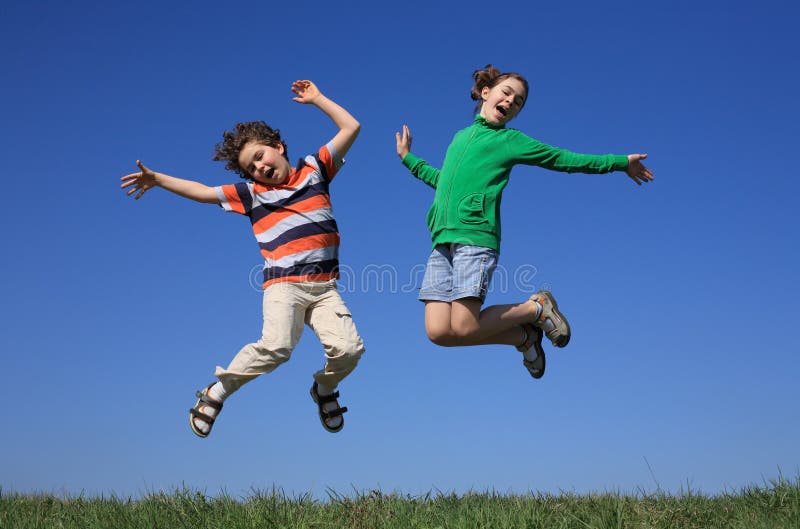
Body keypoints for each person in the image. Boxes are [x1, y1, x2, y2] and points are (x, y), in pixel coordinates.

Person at [121, 80, 364, 436]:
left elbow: (351, 127)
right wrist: (158, 179)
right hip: (284, 286)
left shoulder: (316, 170)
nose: (260, 167)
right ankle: (216, 391)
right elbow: (203, 192)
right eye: (251, 166)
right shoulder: (251, 195)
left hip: (324, 290)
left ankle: (324, 388)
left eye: (261, 156)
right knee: (277, 347)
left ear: (278, 147)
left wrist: (317, 99)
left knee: (349, 349)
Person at [395, 64, 653, 380]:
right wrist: (409, 159)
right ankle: (525, 337)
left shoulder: (510, 141)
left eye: (518, 102)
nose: (511, 102)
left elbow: (563, 159)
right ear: (485, 93)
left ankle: (536, 309)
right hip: (441, 243)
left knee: (464, 326)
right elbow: (444, 181)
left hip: (475, 237)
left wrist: (618, 163)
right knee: (439, 333)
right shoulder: (459, 137)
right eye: (507, 93)